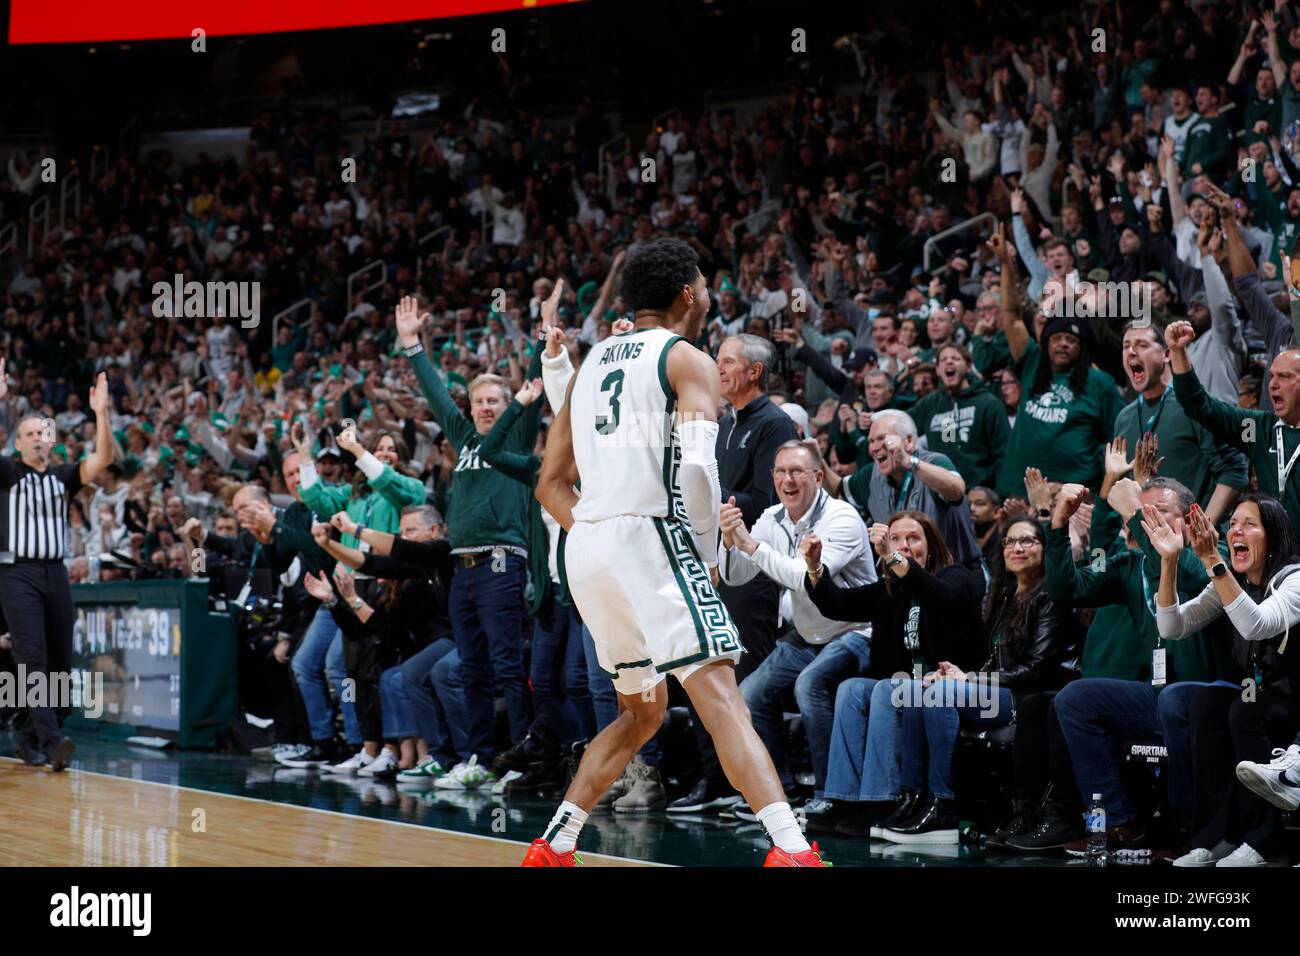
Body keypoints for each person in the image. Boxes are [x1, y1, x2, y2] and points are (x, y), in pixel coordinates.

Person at [522, 237, 828, 866]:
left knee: (642, 711)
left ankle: (554, 846)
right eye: (706, 282)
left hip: (589, 549)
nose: (711, 292)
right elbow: (695, 470)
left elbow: (548, 483)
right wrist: (706, 550)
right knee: (723, 697)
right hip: (653, 537)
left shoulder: (587, 369)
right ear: (689, 291)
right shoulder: (688, 360)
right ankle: (794, 854)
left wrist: (599, 535)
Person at [397, 294, 538, 788]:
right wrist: (413, 345)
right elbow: (437, 395)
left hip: (502, 563)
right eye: (478, 401)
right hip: (463, 567)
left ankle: (522, 758)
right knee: (473, 666)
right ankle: (480, 758)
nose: (483, 408)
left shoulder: (516, 438)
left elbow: (535, 385)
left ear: (507, 406)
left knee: (505, 663)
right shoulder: (464, 439)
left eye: (493, 401)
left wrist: (543, 334)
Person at [886, 517, 1082, 847]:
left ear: (1045, 550)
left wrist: (972, 679)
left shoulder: (1051, 595)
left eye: (1028, 541)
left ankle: (943, 804)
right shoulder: (1004, 595)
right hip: (1000, 690)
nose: (1017, 548)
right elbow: (990, 657)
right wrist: (952, 673)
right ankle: (914, 796)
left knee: (939, 695)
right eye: (1010, 542)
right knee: (919, 690)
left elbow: (1037, 669)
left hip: (1029, 697)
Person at [799, 510, 986, 836]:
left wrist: (889, 554)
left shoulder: (957, 577)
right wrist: (815, 568)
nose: (904, 545)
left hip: (958, 684)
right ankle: (847, 799)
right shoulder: (891, 590)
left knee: (887, 688)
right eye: (896, 539)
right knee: (853, 688)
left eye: (913, 538)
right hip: (910, 687)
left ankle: (882, 800)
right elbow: (837, 604)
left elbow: (940, 597)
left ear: (933, 545)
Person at [719, 440, 876, 813]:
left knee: (810, 685)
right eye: (780, 472)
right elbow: (737, 575)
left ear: (818, 477)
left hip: (855, 631)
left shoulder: (841, 518)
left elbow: (805, 580)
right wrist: (729, 543)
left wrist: (749, 545)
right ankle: (778, 795)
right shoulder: (772, 518)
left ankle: (829, 796)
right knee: (750, 693)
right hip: (807, 634)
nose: (786, 480)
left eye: (796, 472)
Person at [1149, 496, 1300, 866]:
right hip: (1265, 696)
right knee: (1206, 704)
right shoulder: (1232, 582)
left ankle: (1263, 842)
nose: (1236, 531)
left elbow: (1257, 623)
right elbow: (1172, 625)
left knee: (1243, 709)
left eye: (1249, 524)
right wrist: (1169, 560)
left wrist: (1210, 561)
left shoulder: (1294, 578)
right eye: (1232, 524)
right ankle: (1216, 837)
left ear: (1274, 535)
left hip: (1295, 699)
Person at [4, 368, 115, 771]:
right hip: (17, 573)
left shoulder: (63, 476)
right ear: (17, 444)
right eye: (29, 433)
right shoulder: (8, 474)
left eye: (42, 432)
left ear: (51, 440)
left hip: (56, 573)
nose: (37, 438)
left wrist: (102, 414)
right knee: (32, 657)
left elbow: (104, 458)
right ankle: (53, 742)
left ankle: (26, 727)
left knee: (59, 663)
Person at [1166, 319, 1300, 531]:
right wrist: (1178, 351)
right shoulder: (1258, 430)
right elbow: (1200, 406)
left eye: (1284, 377)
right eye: (1271, 376)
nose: (1273, 384)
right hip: (1275, 559)